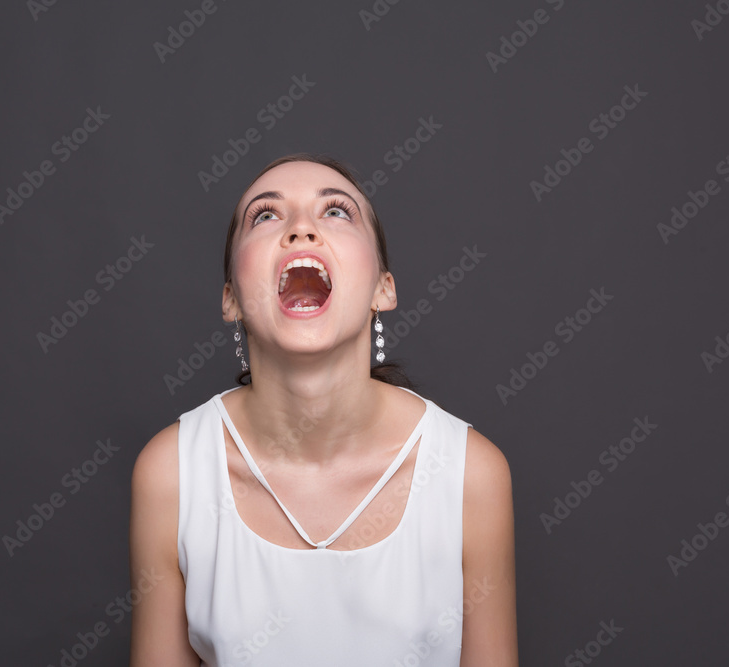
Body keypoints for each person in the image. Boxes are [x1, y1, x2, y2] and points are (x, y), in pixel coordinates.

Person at [129, 153, 518, 666]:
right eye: (266, 216)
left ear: (385, 288)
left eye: (336, 211)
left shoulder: (472, 475)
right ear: (231, 300)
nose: (301, 229)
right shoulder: (171, 473)